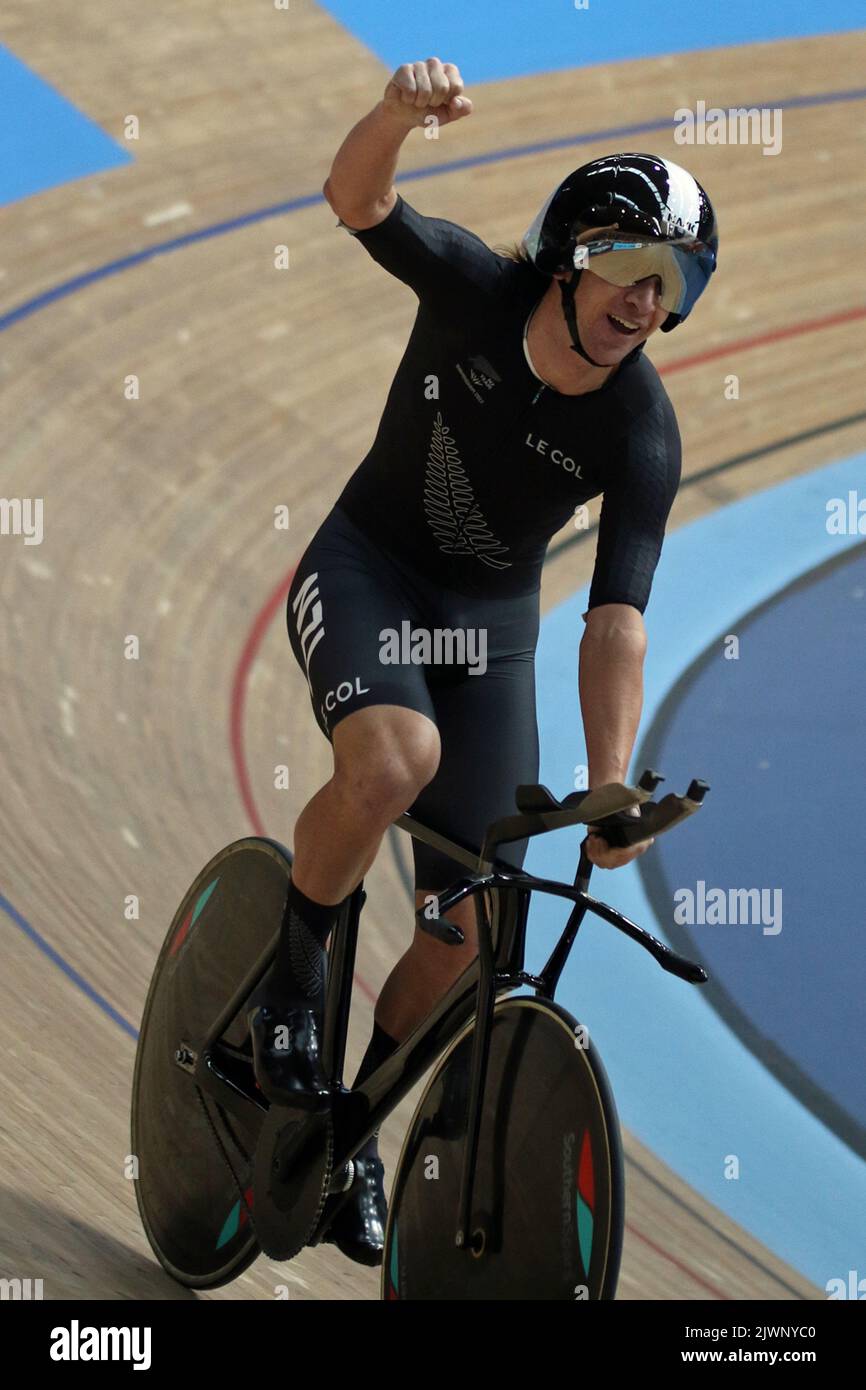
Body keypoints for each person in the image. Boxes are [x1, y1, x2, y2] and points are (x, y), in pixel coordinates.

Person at [246, 57, 719, 1267]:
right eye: (627, 264)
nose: (644, 299)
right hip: (367, 572)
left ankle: (344, 1138)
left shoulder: (639, 427)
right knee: (395, 756)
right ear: (568, 257)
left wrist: (607, 787)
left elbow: (615, 616)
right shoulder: (471, 288)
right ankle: (291, 987)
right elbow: (355, 201)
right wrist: (395, 119)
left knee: (473, 935)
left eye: (672, 281)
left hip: (483, 628)